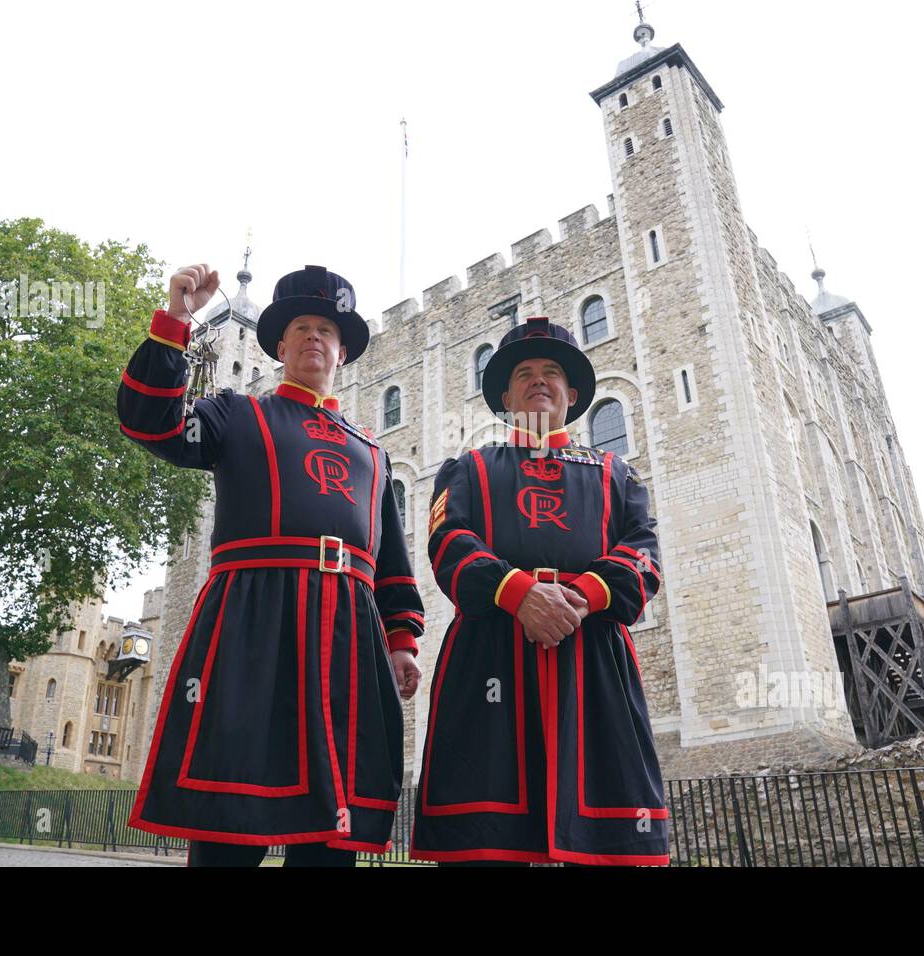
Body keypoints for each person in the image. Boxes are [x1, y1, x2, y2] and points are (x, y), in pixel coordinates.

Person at [118, 263, 424, 866]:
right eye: (302, 328)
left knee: (334, 831)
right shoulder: (238, 414)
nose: (315, 338)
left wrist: (403, 639)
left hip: (349, 635)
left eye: (327, 331)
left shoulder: (373, 453)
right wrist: (176, 320)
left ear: (342, 351)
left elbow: (392, 557)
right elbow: (151, 423)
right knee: (234, 817)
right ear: (279, 345)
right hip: (255, 621)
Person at [410, 316, 668, 865]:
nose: (539, 381)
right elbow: (448, 542)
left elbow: (644, 551)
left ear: (572, 394)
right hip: (488, 658)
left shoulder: (616, 474)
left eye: (552, 372)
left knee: (602, 845)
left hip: (592, 659)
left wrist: (584, 597)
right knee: (485, 845)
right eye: (524, 373)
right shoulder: (468, 469)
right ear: (505, 395)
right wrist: (517, 592)